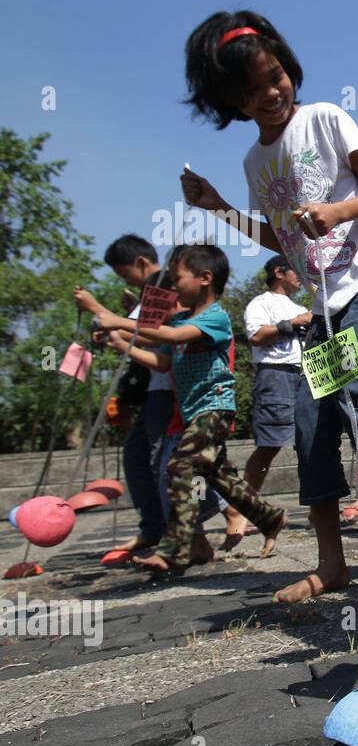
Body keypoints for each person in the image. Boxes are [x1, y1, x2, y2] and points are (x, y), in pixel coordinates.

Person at [179, 10, 358, 603]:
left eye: (277, 73)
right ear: (229, 101)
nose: (270, 91)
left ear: (288, 67)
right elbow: (280, 238)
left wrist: (336, 212)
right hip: (327, 302)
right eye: (252, 87)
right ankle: (331, 564)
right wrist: (217, 206)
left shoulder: (325, 118)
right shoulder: (253, 164)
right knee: (313, 428)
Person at [102, 244, 287, 572]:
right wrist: (122, 343)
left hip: (214, 408)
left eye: (176, 279)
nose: (172, 288)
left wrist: (117, 320)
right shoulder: (185, 319)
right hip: (194, 412)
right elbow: (162, 361)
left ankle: (176, 547)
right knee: (220, 477)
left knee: (179, 466)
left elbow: (172, 336)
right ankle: (270, 518)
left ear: (205, 278)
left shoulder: (214, 317)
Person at [75, 236, 173, 562]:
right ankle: (154, 527)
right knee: (136, 456)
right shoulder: (147, 293)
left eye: (123, 273)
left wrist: (97, 310)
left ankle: (185, 528)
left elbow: (153, 332)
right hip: (152, 388)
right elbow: (139, 330)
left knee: (164, 461)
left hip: (167, 386)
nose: (125, 280)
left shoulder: (165, 285)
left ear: (141, 262)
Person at [234, 254, 310, 539]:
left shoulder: (302, 306)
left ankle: (317, 511)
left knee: (308, 445)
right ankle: (244, 510)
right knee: (269, 445)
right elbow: (256, 336)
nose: (300, 277)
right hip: (274, 375)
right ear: (279, 272)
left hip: (302, 374)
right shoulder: (261, 303)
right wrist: (292, 323)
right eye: (295, 271)